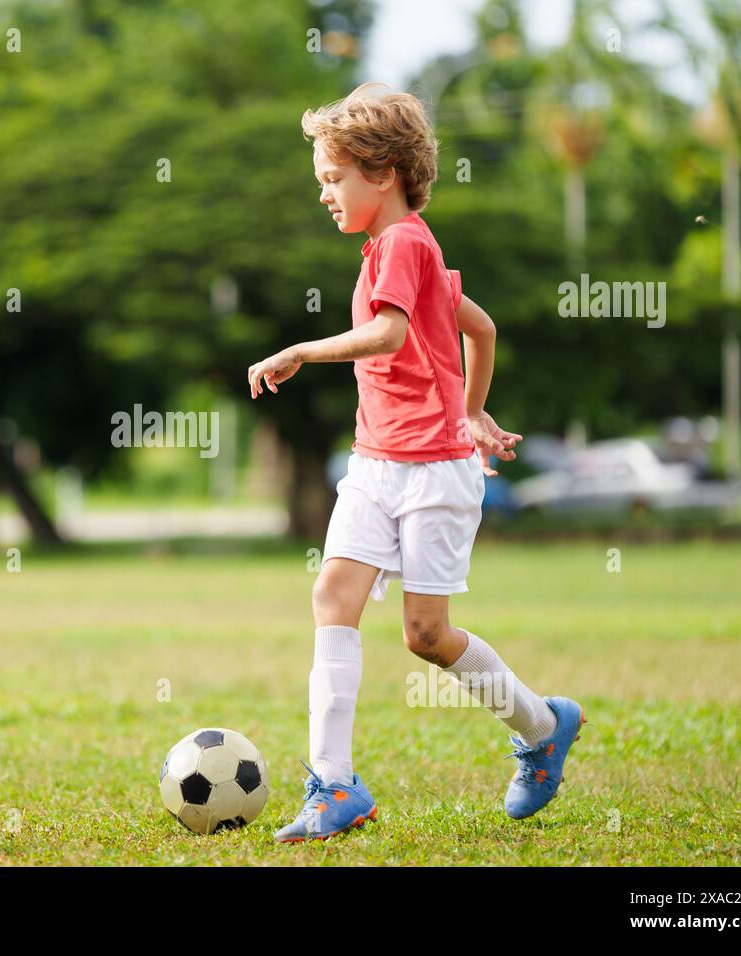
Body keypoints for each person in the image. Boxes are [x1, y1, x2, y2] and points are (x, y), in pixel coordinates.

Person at [246, 83, 585, 843]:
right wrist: (469, 407)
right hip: (374, 463)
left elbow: (391, 335)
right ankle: (333, 786)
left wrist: (303, 348)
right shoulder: (394, 250)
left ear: (385, 169)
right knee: (333, 595)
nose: (325, 196)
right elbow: (481, 328)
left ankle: (541, 727)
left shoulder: (405, 243)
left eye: (334, 179)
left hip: (432, 471)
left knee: (426, 634)